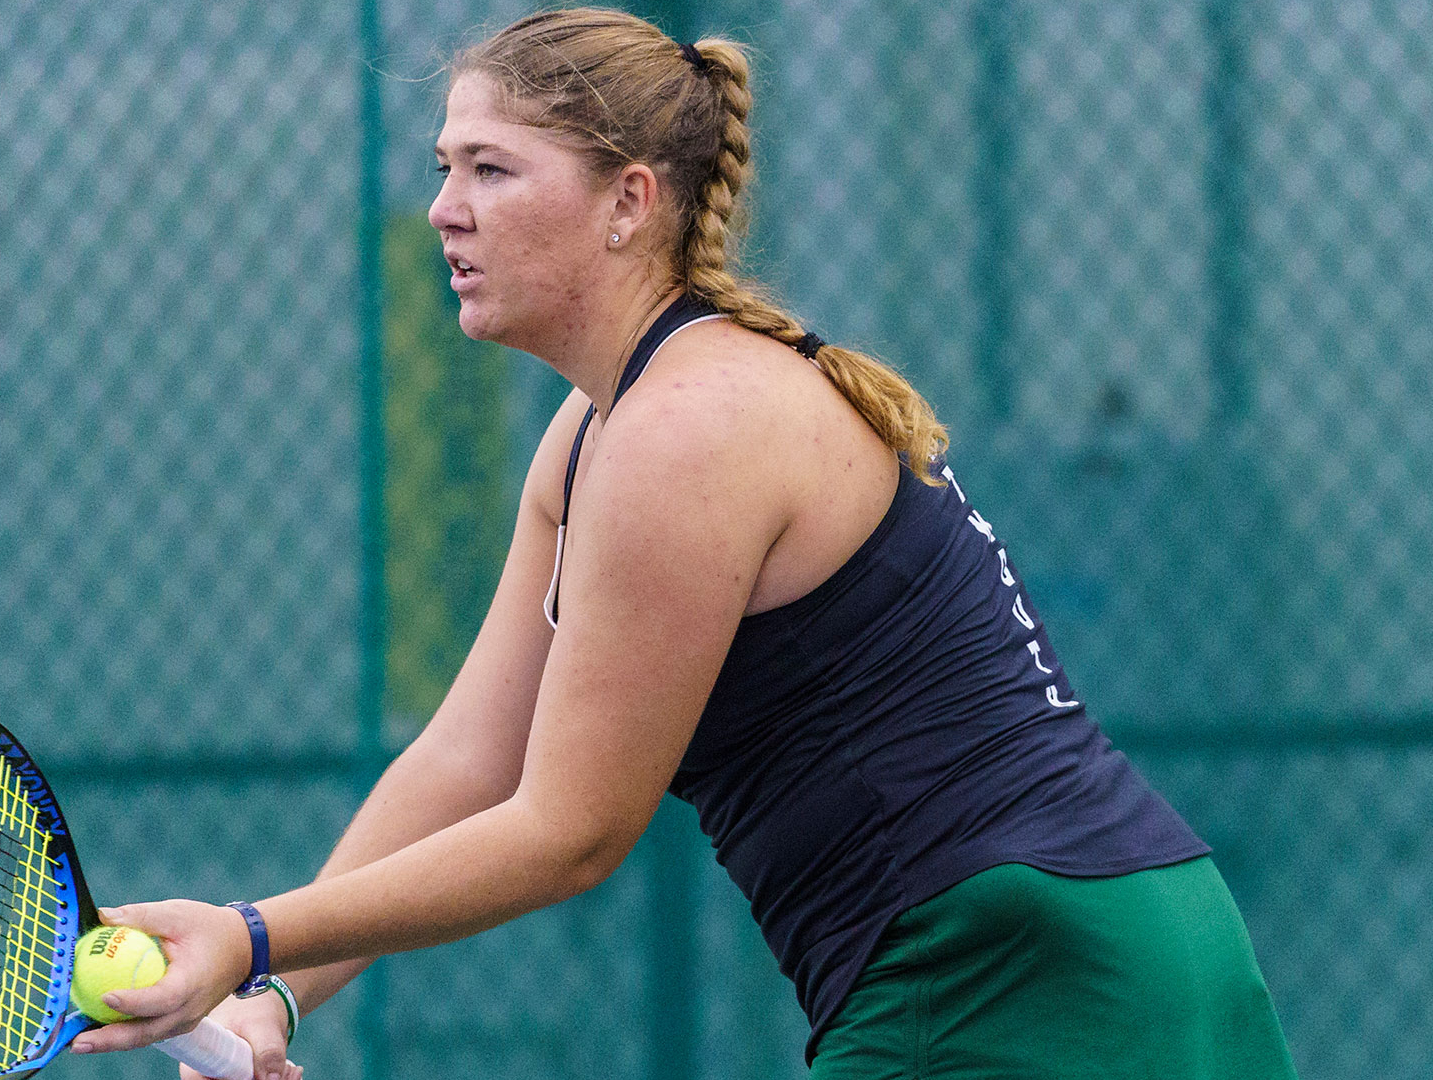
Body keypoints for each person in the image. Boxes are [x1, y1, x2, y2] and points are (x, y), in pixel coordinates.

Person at [72, 9, 1297, 1078]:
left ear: (629, 201)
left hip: (1014, 976)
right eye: (446, 166)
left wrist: (252, 931)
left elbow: (570, 830)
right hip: (1107, 935)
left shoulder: (682, 435)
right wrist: (279, 991)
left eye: (493, 169)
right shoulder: (600, 430)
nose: (445, 207)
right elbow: (470, 757)